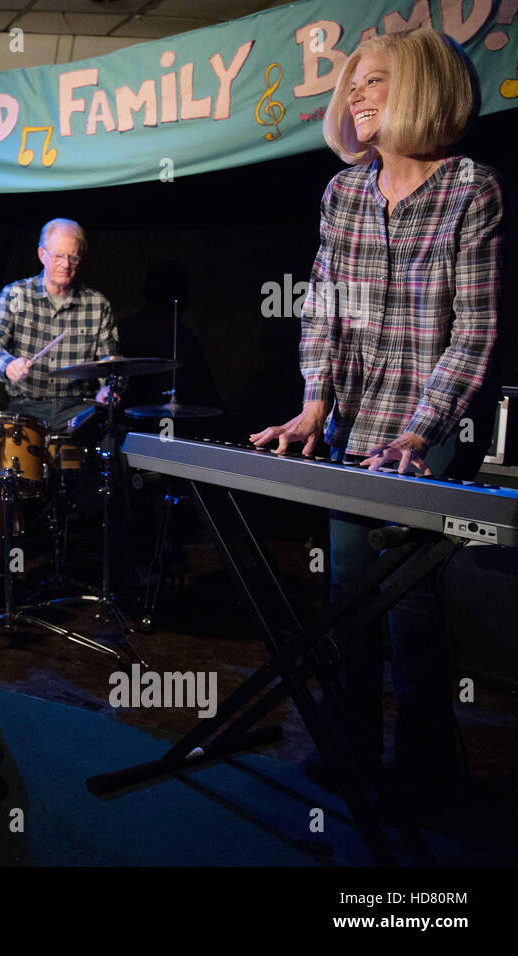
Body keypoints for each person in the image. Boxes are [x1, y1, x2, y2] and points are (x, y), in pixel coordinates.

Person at [249, 28, 502, 812]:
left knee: (414, 625)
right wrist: (315, 403)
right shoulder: (344, 193)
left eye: (374, 82)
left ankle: (428, 778)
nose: (355, 95)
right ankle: (350, 759)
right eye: (352, 84)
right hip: (355, 438)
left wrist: (418, 433)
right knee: (348, 609)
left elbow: (475, 331)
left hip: (426, 444)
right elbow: (322, 309)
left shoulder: (471, 189)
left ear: (423, 89)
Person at [0, 218, 120, 432]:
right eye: (59, 256)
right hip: (26, 408)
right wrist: (8, 365)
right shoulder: (15, 294)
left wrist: (107, 389)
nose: (66, 264)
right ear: (41, 254)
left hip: (77, 408)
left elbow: (111, 364)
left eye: (73, 257)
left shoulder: (97, 304)